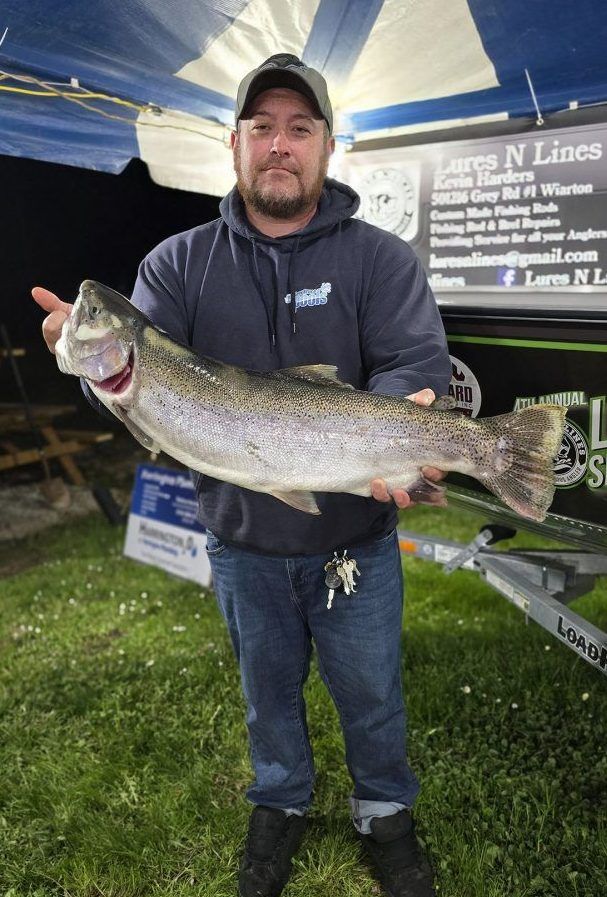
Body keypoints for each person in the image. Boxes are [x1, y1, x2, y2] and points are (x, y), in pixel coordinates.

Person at [33, 53, 451, 897]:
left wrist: (415, 438)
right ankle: (280, 803)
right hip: (243, 542)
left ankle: (384, 812)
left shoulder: (382, 260)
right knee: (268, 698)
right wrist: (86, 363)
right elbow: (133, 386)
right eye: (261, 127)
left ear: (328, 146)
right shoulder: (176, 264)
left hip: (354, 539)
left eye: (299, 127)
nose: (279, 145)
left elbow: (413, 363)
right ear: (234, 145)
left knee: (370, 694)